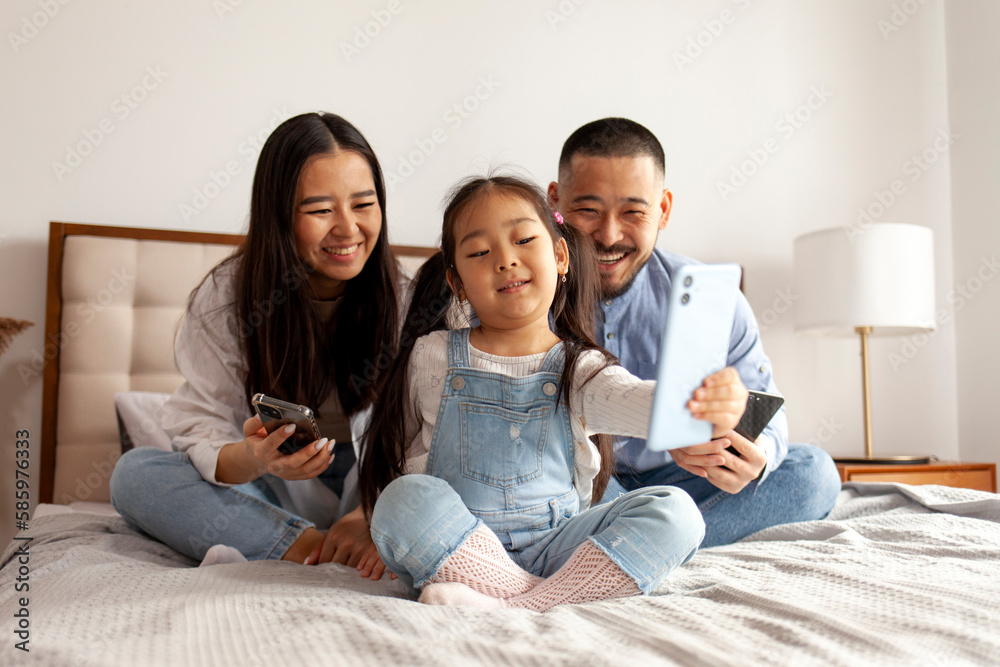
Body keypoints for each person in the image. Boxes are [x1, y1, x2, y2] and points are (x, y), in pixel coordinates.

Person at [359, 174, 749, 612]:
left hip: (561, 547)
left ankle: (516, 604)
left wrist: (700, 397)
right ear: (457, 283)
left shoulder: (580, 367)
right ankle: (532, 594)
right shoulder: (431, 356)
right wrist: (394, 528)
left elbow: (636, 401)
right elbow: (401, 452)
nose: (505, 260)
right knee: (401, 500)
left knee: (677, 512)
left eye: (524, 239)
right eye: (480, 252)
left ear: (560, 255)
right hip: (460, 545)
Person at [110, 112, 401, 576]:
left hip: (373, 487)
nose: (348, 229)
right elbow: (204, 427)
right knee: (135, 476)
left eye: (364, 205)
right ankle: (308, 545)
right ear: (279, 215)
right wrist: (256, 458)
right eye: (321, 210)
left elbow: (431, 436)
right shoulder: (225, 298)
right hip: (268, 490)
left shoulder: (406, 300)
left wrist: (371, 509)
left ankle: (352, 535)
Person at [546, 118, 842, 547]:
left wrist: (753, 458)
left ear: (663, 209)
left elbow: (766, 413)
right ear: (556, 201)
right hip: (578, 481)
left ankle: (641, 544)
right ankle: (653, 541)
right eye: (588, 210)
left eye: (633, 212)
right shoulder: (521, 291)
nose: (609, 235)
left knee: (813, 473)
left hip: (682, 483)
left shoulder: (714, 299)